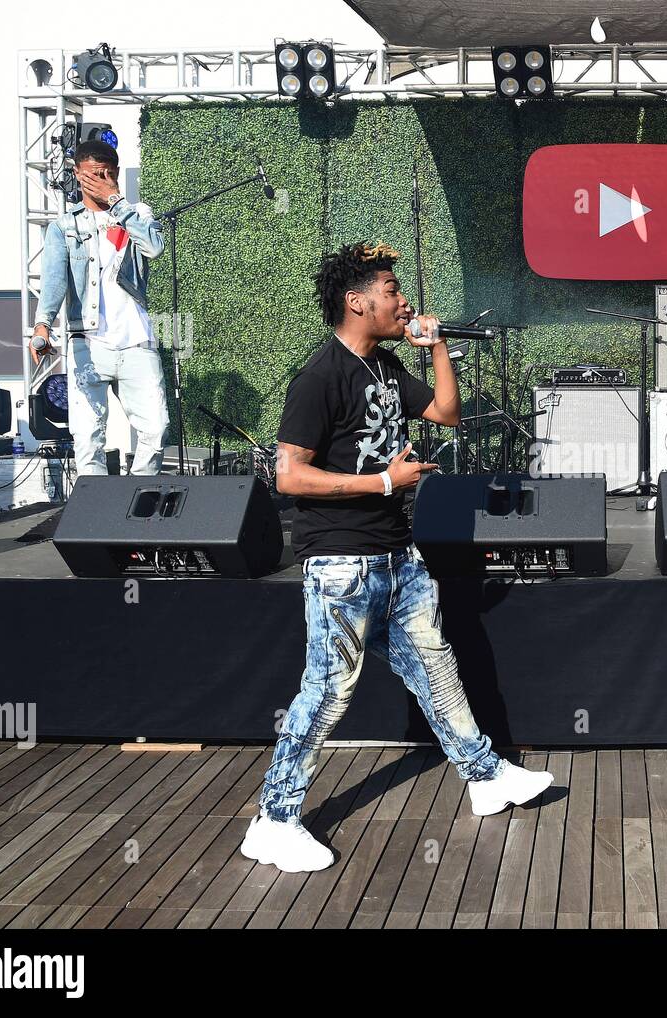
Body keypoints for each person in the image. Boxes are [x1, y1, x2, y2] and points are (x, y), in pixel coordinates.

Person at [242, 242, 552, 873]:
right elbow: (291, 478)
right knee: (328, 691)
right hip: (341, 561)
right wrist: (383, 483)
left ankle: (485, 777)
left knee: (434, 666)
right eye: (391, 289)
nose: (403, 300)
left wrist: (436, 347)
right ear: (357, 301)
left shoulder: (382, 367)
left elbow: (446, 412)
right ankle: (273, 822)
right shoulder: (319, 377)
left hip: (394, 555)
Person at [32, 139, 169, 475]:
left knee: (156, 428)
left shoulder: (138, 214)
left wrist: (117, 202)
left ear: (117, 174)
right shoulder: (65, 227)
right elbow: (54, 282)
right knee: (88, 437)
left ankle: (137, 498)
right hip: (88, 343)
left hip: (137, 341)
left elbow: (153, 247)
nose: (100, 179)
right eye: (93, 174)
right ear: (78, 174)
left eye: (107, 174)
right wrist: (42, 327)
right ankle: (92, 518)